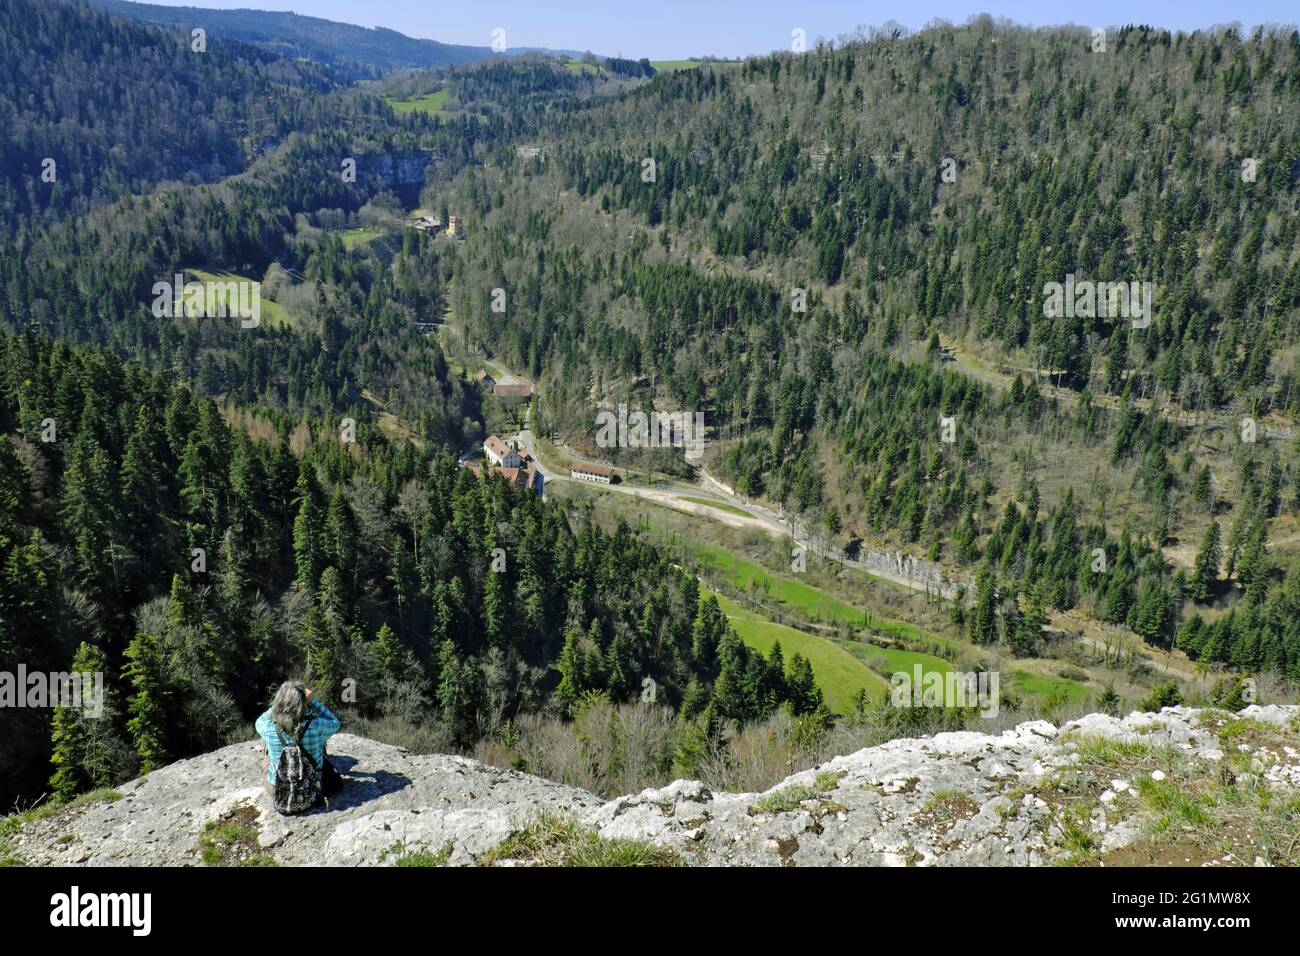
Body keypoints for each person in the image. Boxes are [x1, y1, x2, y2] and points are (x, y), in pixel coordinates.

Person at [255, 681, 343, 801]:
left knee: (267, 746)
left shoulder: (269, 728)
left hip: (279, 790)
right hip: (312, 788)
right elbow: (335, 723)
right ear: (303, 702)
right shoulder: (316, 726)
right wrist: (313, 701)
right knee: (319, 742)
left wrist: (279, 703)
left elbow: (259, 721)